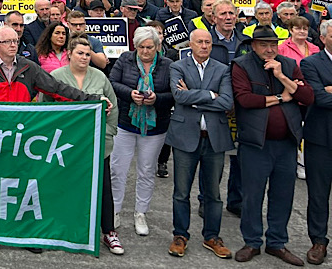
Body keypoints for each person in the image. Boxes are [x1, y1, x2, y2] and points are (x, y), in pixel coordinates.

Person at [0, 24, 107, 252]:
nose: (14, 45)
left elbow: (57, 88)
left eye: (16, 41)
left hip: (24, 140)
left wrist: (89, 99)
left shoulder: (28, 68)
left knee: (25, 185)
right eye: (8, 42)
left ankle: (27, 235)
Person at [232, 26, 314, 265]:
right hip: (255, 143)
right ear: (254, 46)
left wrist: (281, 78)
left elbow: (307, 97)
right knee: (252, 195)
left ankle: (277, 242)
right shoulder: (241, 65)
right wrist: (282, 97)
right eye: (264, 45)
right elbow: (245, 100)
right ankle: (252, 242)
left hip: (286, 143)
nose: (269, 50)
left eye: (273, 45)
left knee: (283, 195)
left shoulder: (288, 65)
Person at [45, 38, 121, 254]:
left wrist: (109, 133)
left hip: (96, 143)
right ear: (69, 53)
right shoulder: (56, 77)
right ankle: (60, 225)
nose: (84, 58)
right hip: (64, 145)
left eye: (88, 54)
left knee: (104, 187)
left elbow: (113, 106)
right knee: (62, 184)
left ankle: (109, 232)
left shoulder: (100, 77)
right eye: (80, 53)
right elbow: (45, 107)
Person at [166, 30, 234, 259]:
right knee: (181, 191)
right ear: (191, 45)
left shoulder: (223, 69)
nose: (204, 46)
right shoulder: (178, 66)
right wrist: (211, 96)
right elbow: (179, 96)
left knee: (213, 193)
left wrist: (196, 97)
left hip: (214, 138)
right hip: (185, 137)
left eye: (208, 42)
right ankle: (180, 235)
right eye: (200, 42)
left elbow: (227, 101)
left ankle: (212, 236)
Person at [109, 26, 174, 237]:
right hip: (125, 122)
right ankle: (115, 210)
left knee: (146, 171)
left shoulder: (168, 65)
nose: (145, 51)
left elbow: (173, 93)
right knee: (118, 170)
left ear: (157, 46)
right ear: (135, 46)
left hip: (155, 126)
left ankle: (140, 213)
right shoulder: (125, 59)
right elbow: (112, 83)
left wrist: (157, 99)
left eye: (150, 47)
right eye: (141, 47)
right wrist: (130, 94)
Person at [300, 20, 332, 264]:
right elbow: (319, 98)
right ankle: (318, 241)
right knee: (319, 195)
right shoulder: (310, 63)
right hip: (321, 139)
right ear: (323, 38)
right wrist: (325, 91)